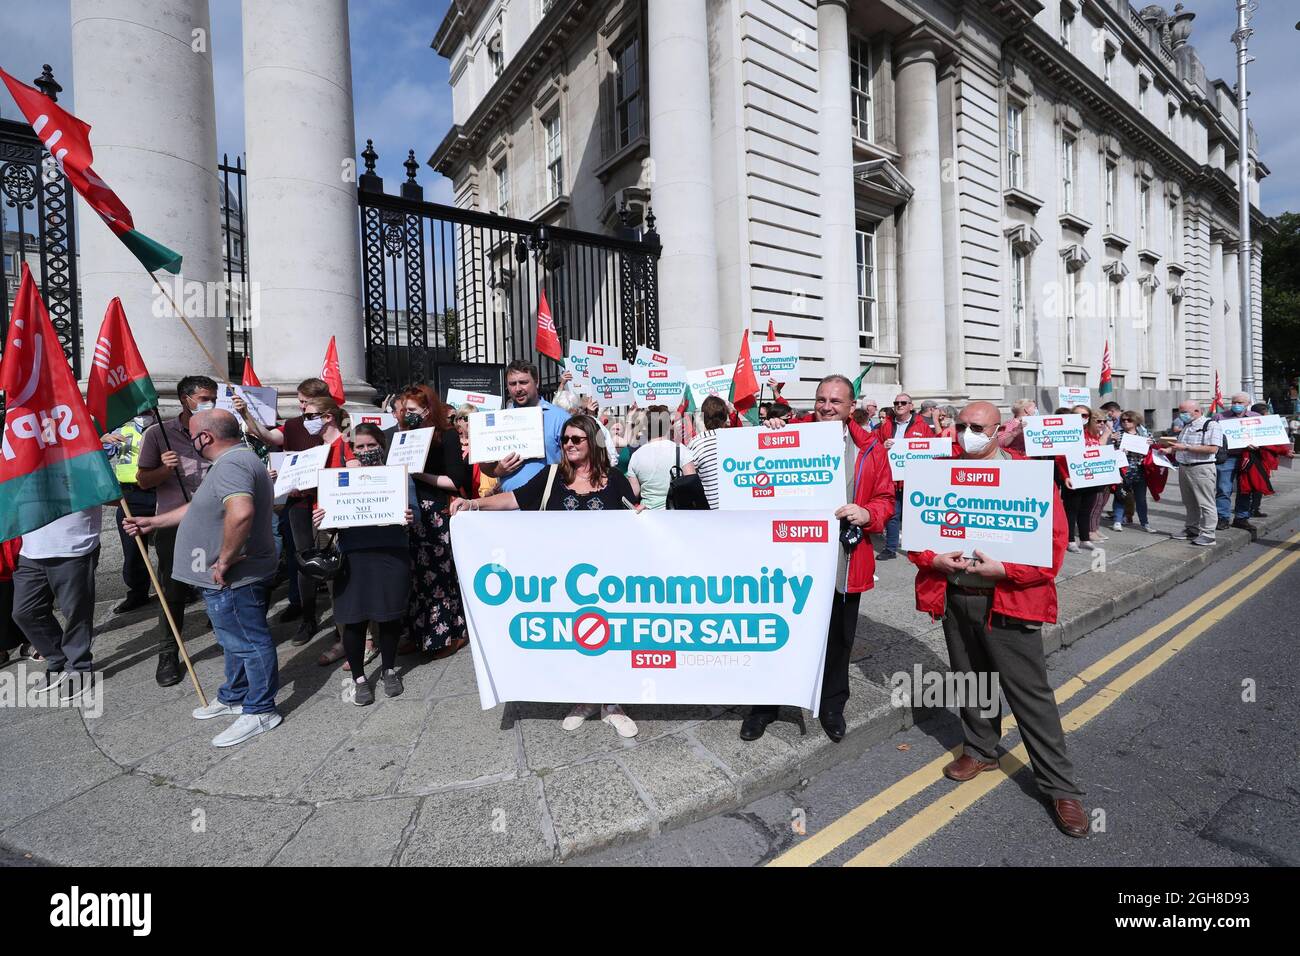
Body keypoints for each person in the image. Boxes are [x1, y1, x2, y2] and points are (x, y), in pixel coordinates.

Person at [907, 400, 1088, 838]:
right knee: (971, 680)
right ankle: (981, 748)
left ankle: (1060, 787)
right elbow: (917, 539)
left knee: (1030, 694)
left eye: (978, 427)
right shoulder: (938, 472)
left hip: (1010, 601)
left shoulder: (1030, 477)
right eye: (962, 426)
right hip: (956, 596)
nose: (968, 434)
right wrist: (936, 559)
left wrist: (1006, 570)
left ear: (999, 430)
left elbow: (1052, 547)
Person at [450, 414, 642, 737]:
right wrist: (473, 504)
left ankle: (612, 704)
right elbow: (512, 500)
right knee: (575, 640)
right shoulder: (551, 477)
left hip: (608, 581)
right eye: (565, 439)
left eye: (576, 439)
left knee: (608, 639)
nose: (568, 444)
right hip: (562, 581)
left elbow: (636, 515)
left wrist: (643, 515)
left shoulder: (616, 479)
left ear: (592, 442)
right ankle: (584, 700)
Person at [739, 374, 895, 744]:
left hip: (844, 557)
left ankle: (831, 705)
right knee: (778, 630)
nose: (826, 406)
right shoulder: (788, 433)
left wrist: (867, 512)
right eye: (821, 399)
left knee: (839, 637)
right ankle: (765, 705)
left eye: (835, 401)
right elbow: (751, 474)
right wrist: (771, 435)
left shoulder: (870, 447)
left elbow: (887, 499)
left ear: (850, 408)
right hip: (788, 557)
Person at [124, 409, 281, 747]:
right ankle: (235, 695)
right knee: (232, 640)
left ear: (205, 437)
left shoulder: (233, 464)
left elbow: (241, 512)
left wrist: (223, 560)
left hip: (234, 576)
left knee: (248, 641)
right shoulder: (233, 461)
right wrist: (153, 522)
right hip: (221, 577)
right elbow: (200, 507)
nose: (190, 440)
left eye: (192, 434)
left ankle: (261, 709)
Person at [311, 424, 414, 704]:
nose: (366, 451)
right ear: (352, 450)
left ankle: (389, 670)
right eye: (359, 447)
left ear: (382, 445)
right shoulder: (338, 480)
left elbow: (414, 513)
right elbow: (327, 521)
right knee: (353, 620)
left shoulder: (399, 477)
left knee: (389, 617)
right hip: (353, 558)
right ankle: (359, 678)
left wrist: (409, 516)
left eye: (371, 445)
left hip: (390, 555)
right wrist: (320, 520)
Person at [136, 376, 216, 686]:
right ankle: (169, 653)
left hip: (214, 520)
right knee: (173, 589)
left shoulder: (219, 428)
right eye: (204, 398)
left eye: (213, 398)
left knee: (220, 579)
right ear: (185, 399)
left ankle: (225, 634)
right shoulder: (159, 434)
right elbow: (143, 480)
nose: (209, 403)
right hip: (174, 523)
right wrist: (164, 470)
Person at [395, 385, 471, 658]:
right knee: (417, 578)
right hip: (413, 515)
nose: (408, 414)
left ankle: (451, 634)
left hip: (437, 513)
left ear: (428, 409)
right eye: (404, 410)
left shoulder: (447, 437)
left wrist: (420, 474)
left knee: (440, 576)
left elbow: (455, 480)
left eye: (413, 410)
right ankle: (420, 634)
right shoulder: (404, 437)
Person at [12, 506, 101, 702]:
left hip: (72, 544)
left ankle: (79, 667)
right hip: (30, 548)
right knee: (25, 612)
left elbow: (107, 494)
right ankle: (59, 659)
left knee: (75, 612)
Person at [480, 359, 568, 492]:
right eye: (512, 384)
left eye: (523, 382)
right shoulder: (500, 420)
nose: (518, 389)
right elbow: (485, 466)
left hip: (548, 502)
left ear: (536, 382)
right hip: (510, 506)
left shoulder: (560, 418)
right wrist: (498, 470)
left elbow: (577, 461)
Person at [105, 412, 158, 614]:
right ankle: (138, 592)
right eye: (139, 411)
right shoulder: (123, 431)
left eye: (147, 410)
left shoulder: (163, 430)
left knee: (168, 546)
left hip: (159, 492)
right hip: (130, 496)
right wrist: (100, 439)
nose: (143, 414)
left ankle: (181, 589)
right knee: (133, 549)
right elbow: (93, 453)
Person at [876, 392, 935, 560]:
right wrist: (882, 445)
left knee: (916, 514)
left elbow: (932, 449)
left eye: (903, 402)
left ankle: (918, 548)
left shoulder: (922, 425)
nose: (899, 405)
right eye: (896, 402)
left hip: (914, 477)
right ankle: (891, 548)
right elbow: (873, 445)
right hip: (891, 477)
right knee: (892, 514)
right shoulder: (885, 426)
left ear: (911, 406)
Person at [1160, 399, 1223, 546]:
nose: (1181, 415)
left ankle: (1208, 534)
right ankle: (1191, 529)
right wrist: (1168, 450)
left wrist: (1186, 447)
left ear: (1197, 411)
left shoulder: (1210, 425)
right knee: (1189, 502)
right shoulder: (1187, 425)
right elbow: (1180, 445)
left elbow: (1213, 449)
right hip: (1184, 467)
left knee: (1206, 502)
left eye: (1184, 412)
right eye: (1180, 412)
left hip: (1201, 468)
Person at [627, 405, 696, 510]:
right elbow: (692, 485)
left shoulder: (636, 456)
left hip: (648, 513)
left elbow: (634, 492)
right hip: (677, 513)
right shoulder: (681, 450)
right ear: (668, 426)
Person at [1213, 392, 1257, 531]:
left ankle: (1241, 518)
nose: (1236, 405)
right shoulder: (1220, 417)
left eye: (1240, 403)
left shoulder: (1256, 418)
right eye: (1234, 402)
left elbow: (1266, 435)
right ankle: (1222, 518)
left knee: (1245, 489)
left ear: (1247, 404)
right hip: (1227, 457)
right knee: (1223, 489)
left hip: (1248, 457)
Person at [1110, 410, 1156, 533]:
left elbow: (1155, 448)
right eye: (1123, 420)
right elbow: (1108, 450)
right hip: (1123, 470)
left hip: (1139, 470)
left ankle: (1144, 523)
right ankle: (1117, 521)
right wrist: (1114, 445)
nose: (1125, 422)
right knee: (1120, 496)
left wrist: (1152, 444)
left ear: (1136, 421)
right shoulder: (1117, 434)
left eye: (1129, 420)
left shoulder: (1145, 435)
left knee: (1141, 498)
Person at [686, 395, 730, 510]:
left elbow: (688, 478)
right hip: (737, 507)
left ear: (703, 417)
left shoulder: (696, 443)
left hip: (711, 508)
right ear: (725, 417)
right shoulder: (736, 439)